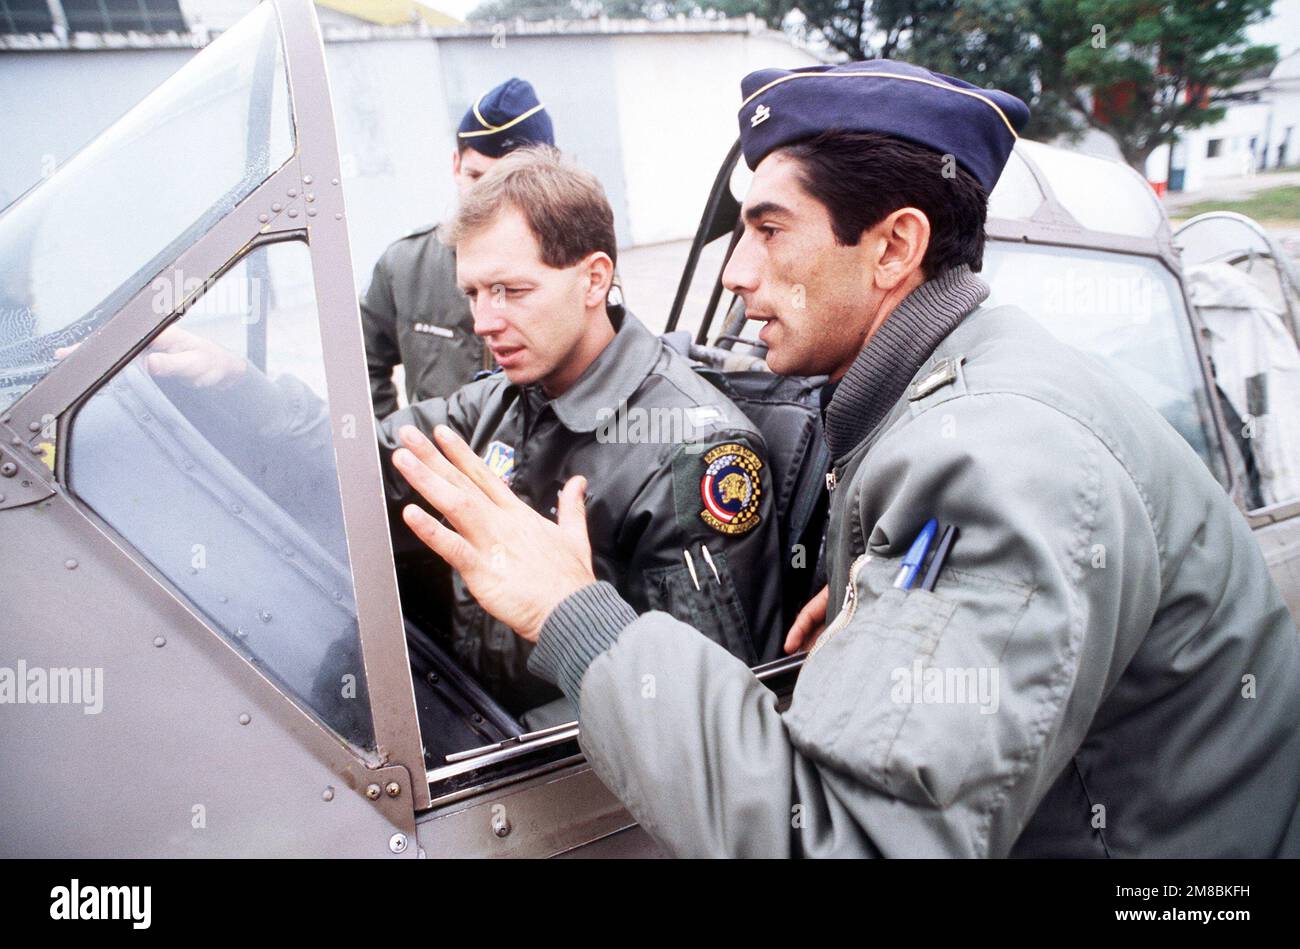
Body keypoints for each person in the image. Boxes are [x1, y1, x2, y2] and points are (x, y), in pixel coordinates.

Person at [390, 61, 1300, 856]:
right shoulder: (955, 389)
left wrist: (573, 613)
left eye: (770, 230)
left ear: (895, 246)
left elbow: (844, 841)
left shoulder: (995, 462)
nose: (736, 271)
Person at [142, 147, 785, 729]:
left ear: (594, 279)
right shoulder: (504, 397)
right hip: (481, 714)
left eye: (510, 291)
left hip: (552, 768)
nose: (484, 321)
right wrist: (237, 387)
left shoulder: (693, 457)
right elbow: (363, 460)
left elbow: (701, 710)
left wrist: (487, 755)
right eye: (474, 293)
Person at [361, 77, 555, 418]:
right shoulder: (404, 265)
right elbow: (361, 362)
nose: (488, 198)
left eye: (510, 180)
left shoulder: (571, 260)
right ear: (455, 165)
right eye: (477, 177)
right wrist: (397, 450)